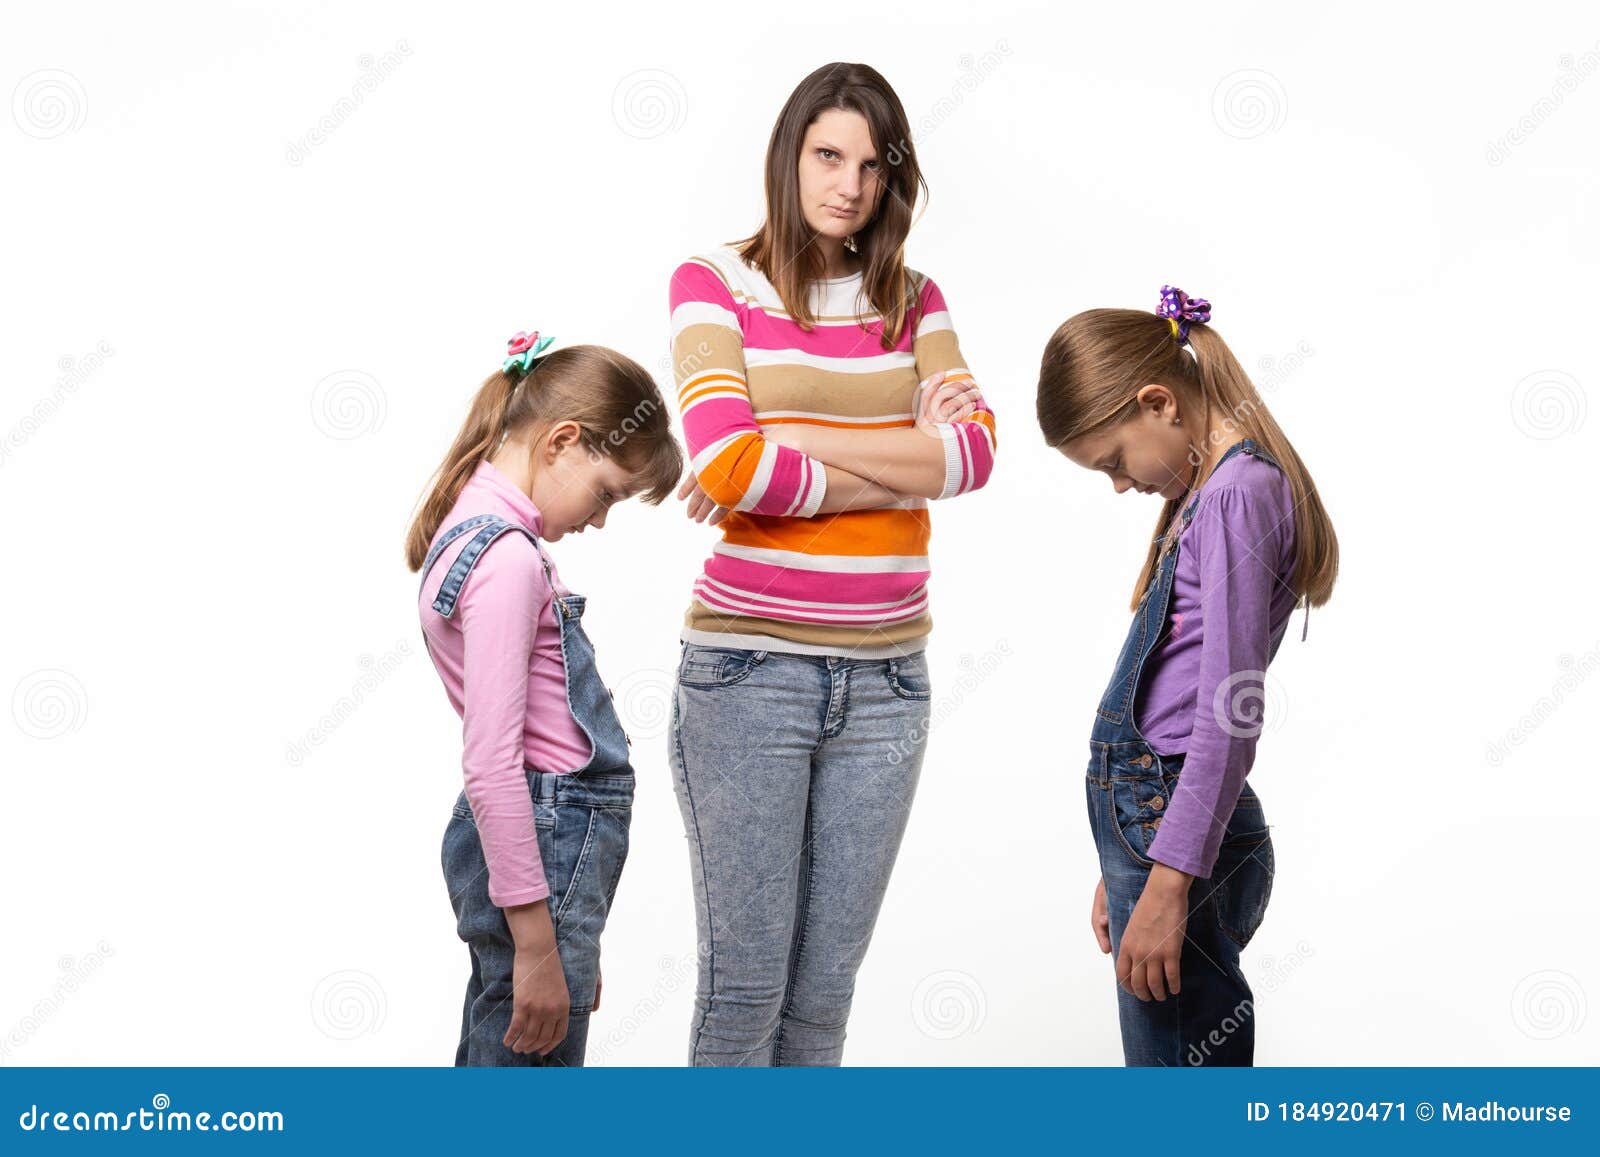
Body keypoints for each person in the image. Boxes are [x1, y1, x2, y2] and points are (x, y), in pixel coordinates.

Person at [666, 62, 997, 1066]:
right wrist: (904, 458)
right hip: (750, 675)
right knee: (745, 993)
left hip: (889, 684)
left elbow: (974, 456)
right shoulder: (715, 283)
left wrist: (795, 444)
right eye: (827, 156)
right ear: (789, 154)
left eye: (871, 165)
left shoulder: (916, 298)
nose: (848, 185)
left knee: (823, 998)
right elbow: (729, 464)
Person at [1036, 286, 1339, 1065]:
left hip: (1171, 813)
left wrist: (1167, 874)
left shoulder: (1237, 493)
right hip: (1156, 820)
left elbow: (1230, 709)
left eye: (1114, 461)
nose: (1119, 483)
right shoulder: (1208, 488)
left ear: (1158, 402)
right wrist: (1127, 857)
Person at [405, 330, 682, 1065]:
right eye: (607, 493)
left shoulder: (471, 532)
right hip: (546, 840)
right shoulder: (507, 561)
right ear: (562, 441)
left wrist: (568, 934)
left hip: (547, 856)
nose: (600, 518)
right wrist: (539, 943)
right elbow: (491, 765)